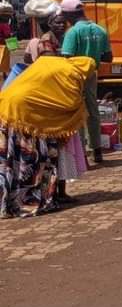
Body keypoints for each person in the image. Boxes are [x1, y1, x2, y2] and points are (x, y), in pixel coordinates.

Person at [0, 55, 94, 217]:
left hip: (8, 106)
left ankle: (9, 199)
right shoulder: (71, 75)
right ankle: (27, 199)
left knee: (11, 160)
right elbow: (69, 105)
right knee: (32, 161)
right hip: (26, 114)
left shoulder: (55, 64)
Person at [59, 0, 111, 164]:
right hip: (92, 75)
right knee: (93, 112)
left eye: (64, 16)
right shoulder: (100, 30)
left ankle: (81, 156)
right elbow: (108, 57)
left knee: (78, 115)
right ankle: (97, 152)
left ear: (70, 15)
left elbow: (67, 57)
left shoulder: (72, 32)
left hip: (75, 77)